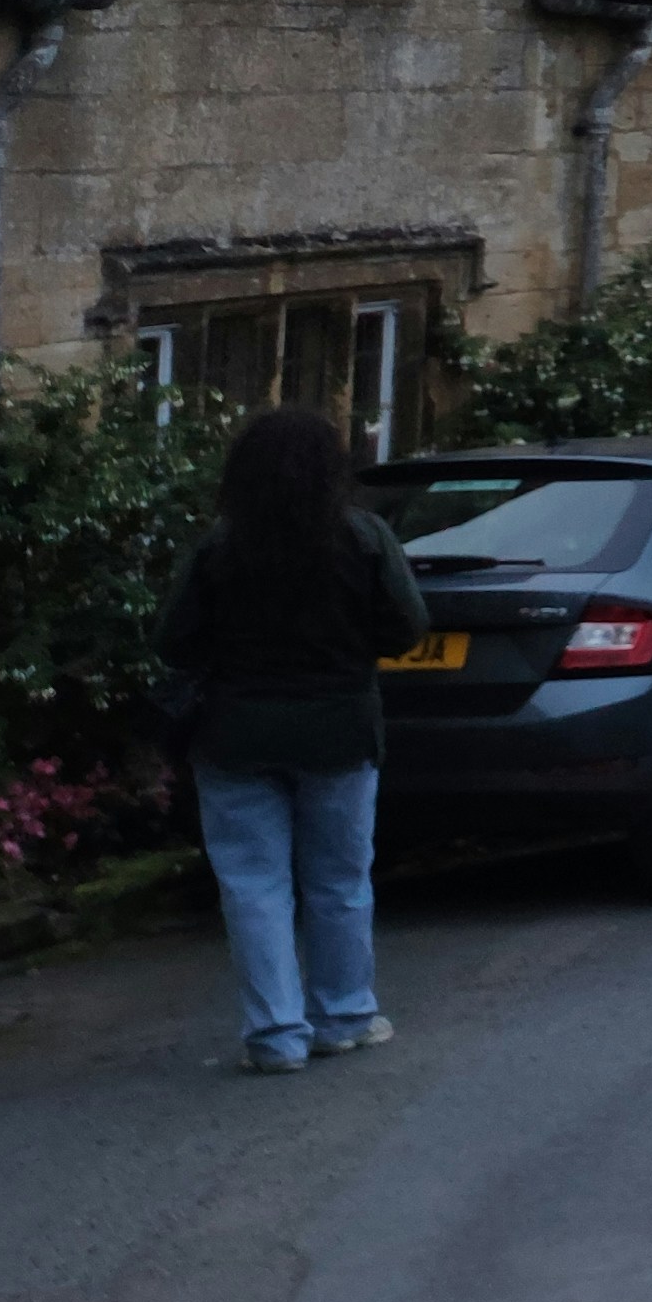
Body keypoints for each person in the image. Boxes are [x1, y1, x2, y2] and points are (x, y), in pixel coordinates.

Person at [154, 407, 426, 1072]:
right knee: (339, 878)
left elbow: (172, 641)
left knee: (253, 884)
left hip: (235, 734)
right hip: (340, 729)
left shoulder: (220, 546)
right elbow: (407, 628)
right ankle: (345, 1015)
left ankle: (275, 1034)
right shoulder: (363, 537)